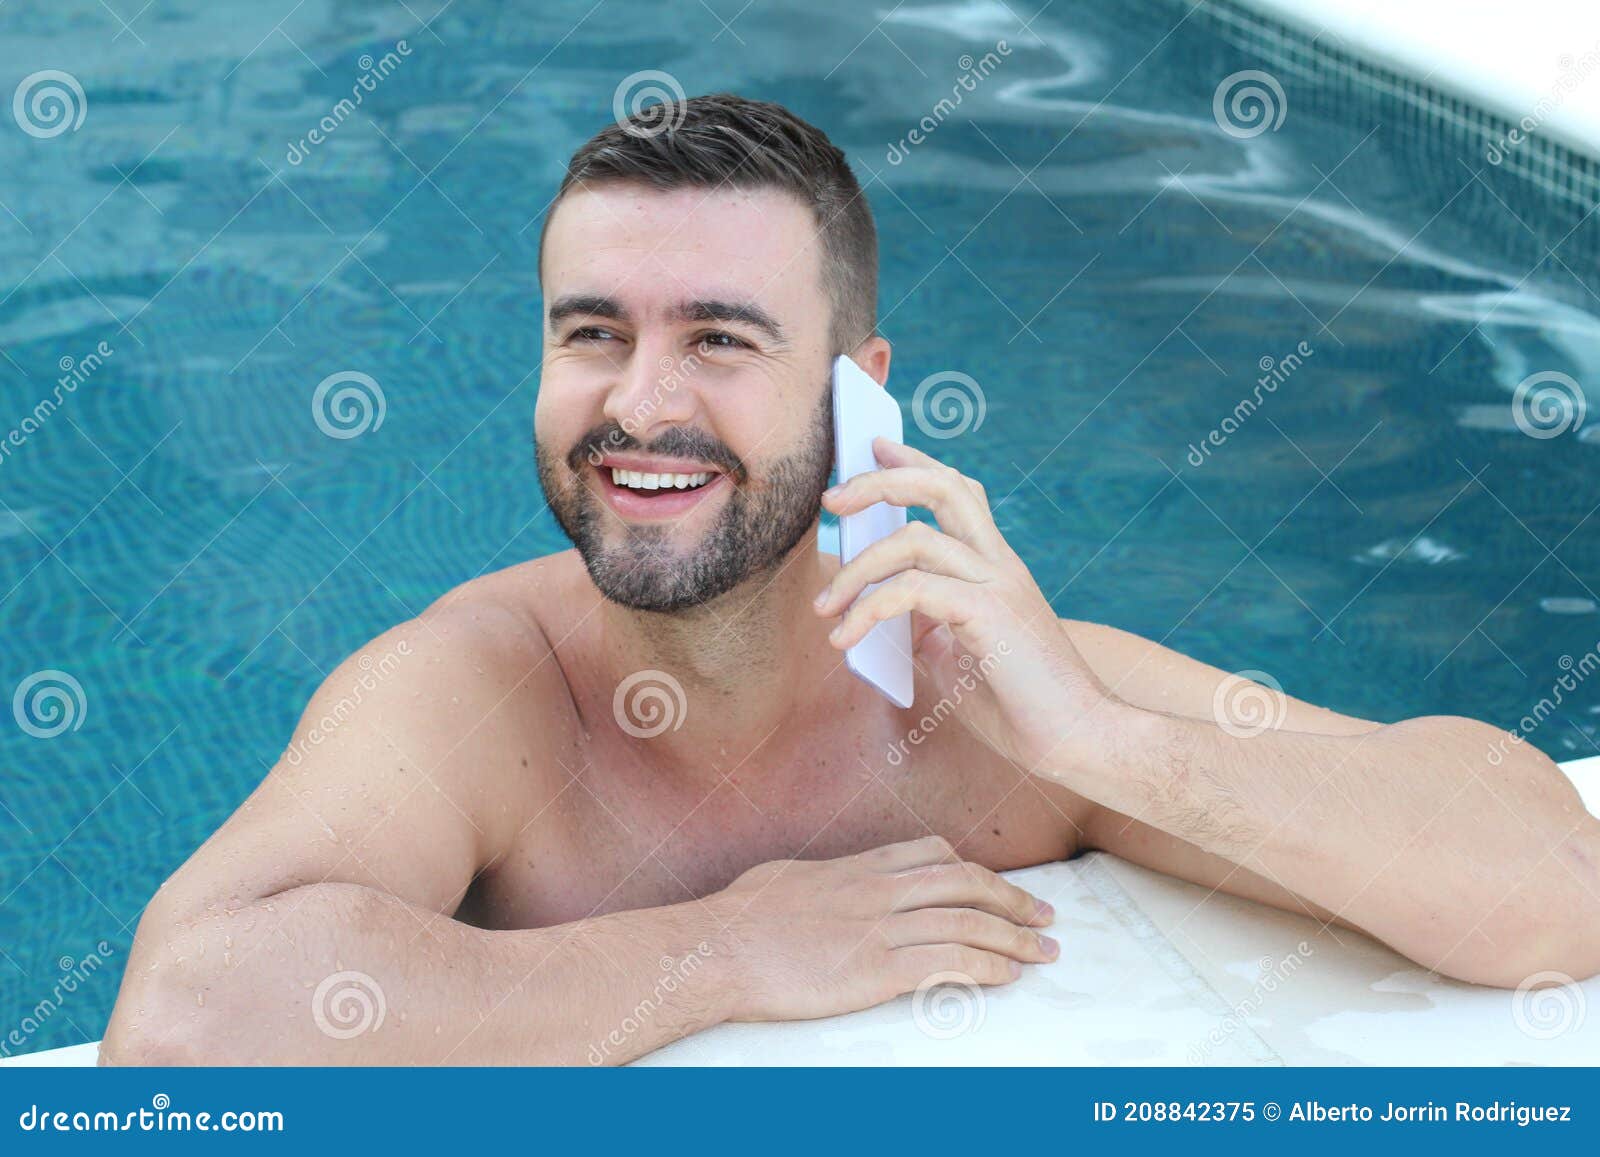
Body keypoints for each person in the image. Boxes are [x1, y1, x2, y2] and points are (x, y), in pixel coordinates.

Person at [102, 93, 1600, 1066]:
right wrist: (725, 948)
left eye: (721, 338)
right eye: (590, 333)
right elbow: (182, 1017)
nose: (640, 401)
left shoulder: (993, 700)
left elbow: (1552, 890)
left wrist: (1104, 744)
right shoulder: (478, 687)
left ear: (860, 394)